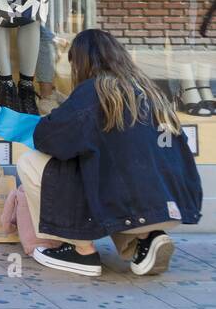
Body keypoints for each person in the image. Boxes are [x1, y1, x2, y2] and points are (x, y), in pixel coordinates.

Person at [18, 28, 203, 278]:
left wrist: (52, 118)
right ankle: (146, 240)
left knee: (31, 161)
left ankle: (81, 251)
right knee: (113, 167)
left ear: (82, 61)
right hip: (173, 205)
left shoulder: (95, 91)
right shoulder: (151, 91)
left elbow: (48, 139)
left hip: (133, 205)